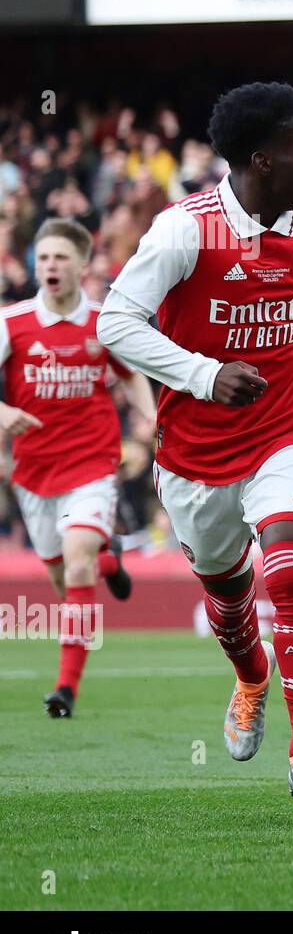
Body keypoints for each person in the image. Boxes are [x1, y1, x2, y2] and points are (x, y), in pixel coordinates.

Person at [97, 83, 293, 811]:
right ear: (261, 160)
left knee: (288, 573)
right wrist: (205, 375)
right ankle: (252, 678)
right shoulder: (183, 231)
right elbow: (116, 323)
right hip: (196, 452)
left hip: (287, 425)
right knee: (229, 596)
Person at [0, 219, 155, 718]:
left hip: (92, 462)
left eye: (60, 257)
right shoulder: (12, 324)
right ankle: (111, 563)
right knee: (69, 581)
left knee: (78, 556)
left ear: (82, 266)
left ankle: (65, 689)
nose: (50, 266)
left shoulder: (105, 323)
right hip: (33, 472)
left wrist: (149, 417)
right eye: (43, 258)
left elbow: (131, 376)